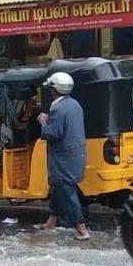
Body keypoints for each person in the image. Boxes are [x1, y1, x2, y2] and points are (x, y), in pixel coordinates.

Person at [35, 72, 91, 240]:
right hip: (76, 155)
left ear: (54, 90)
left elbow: (52, 134)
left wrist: (43, 121)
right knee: (59, 189)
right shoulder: (75, 104)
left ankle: (82, 230)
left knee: (66, 191)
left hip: (64, 159)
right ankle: (51, 222)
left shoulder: (57, 108)